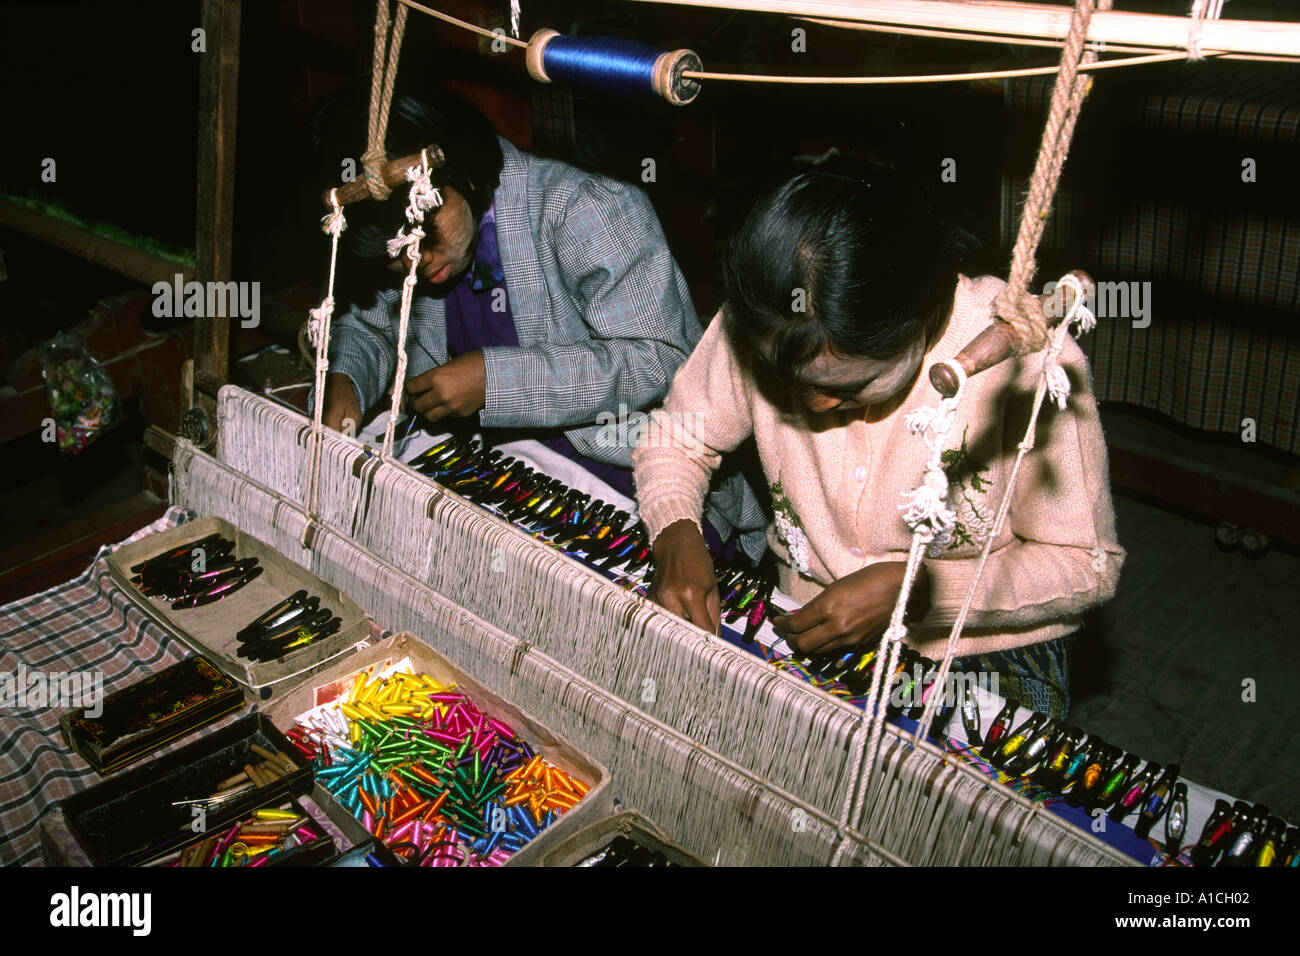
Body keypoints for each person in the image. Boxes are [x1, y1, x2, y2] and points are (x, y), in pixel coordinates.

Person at [631, 156, 1125, 718]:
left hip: (973, 647)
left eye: (849, 387)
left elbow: (1088, 565)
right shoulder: (769, 323)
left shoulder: (1032, 366)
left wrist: (919, 590)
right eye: (786, 382)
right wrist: (674, 530)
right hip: (805, 611)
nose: (813, 404)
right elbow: (677, 438)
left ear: (921, 316)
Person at [316, 92, 766, 559]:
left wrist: (499, 383)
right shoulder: (411, 241)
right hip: (493, 468)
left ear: (467, 174)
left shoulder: (586, 211)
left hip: (625, 471)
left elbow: (662, 359)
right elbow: (369, 325)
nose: (415, 258)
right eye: (392, 254)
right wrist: (345, 381)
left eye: (425, 233)